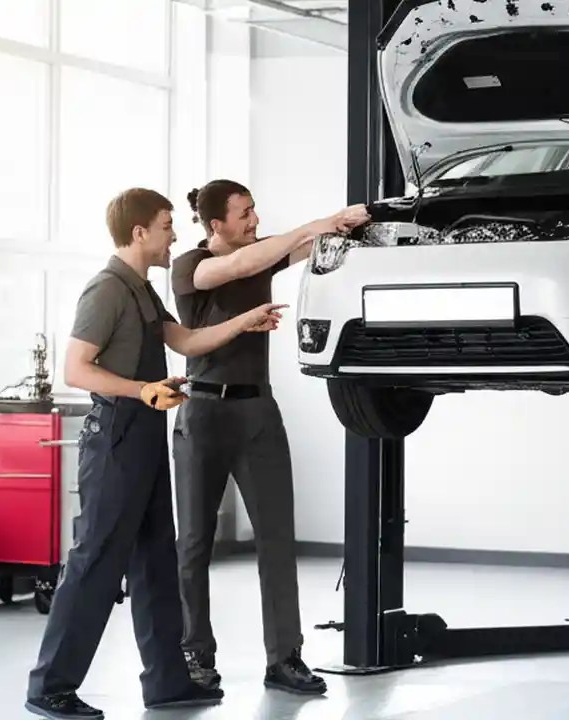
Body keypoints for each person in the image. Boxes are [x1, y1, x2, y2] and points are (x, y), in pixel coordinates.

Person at [24, 187, 286, 720]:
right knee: (95, 563)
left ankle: (167, 682)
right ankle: (49, 686)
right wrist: (140, 389)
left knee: (155, 562)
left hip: (144, 437)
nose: (175, 235)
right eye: (168, 226)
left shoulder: (142, 290)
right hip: (116, 440)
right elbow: (76, 369)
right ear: (140, 232)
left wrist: (245, 321)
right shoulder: (107, 290)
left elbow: (185, 342)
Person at [169, 179, 369, 695]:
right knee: (193, 542)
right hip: (203, 411)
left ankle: (285, 658)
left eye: (255, 210)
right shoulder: (191, 266)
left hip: (258, 411)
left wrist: (349, 222)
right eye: (244, 214)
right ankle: (194, 655)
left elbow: (306, 247)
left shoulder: (259, 253)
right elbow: (237, 267)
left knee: (277, 540)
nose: (254, 220)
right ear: (216, 225)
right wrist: (312, 225)